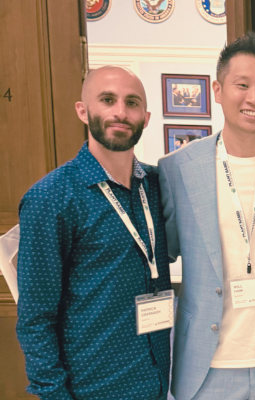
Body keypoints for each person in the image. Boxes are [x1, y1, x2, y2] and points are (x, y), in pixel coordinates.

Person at [158, 32, 255, 400]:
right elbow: (160, 256)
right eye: (242, 85)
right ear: (217, 89)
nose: (253, 99)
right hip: (208, 363)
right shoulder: (177, 169)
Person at [16, 65, 172, 399]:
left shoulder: (159, 185)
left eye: (131, 103)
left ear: (145, 118)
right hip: (93, 388)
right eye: (107, 99)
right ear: (83, 111)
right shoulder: (52, 197)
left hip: (157, 380)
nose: (120, 111)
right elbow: (35, 318)